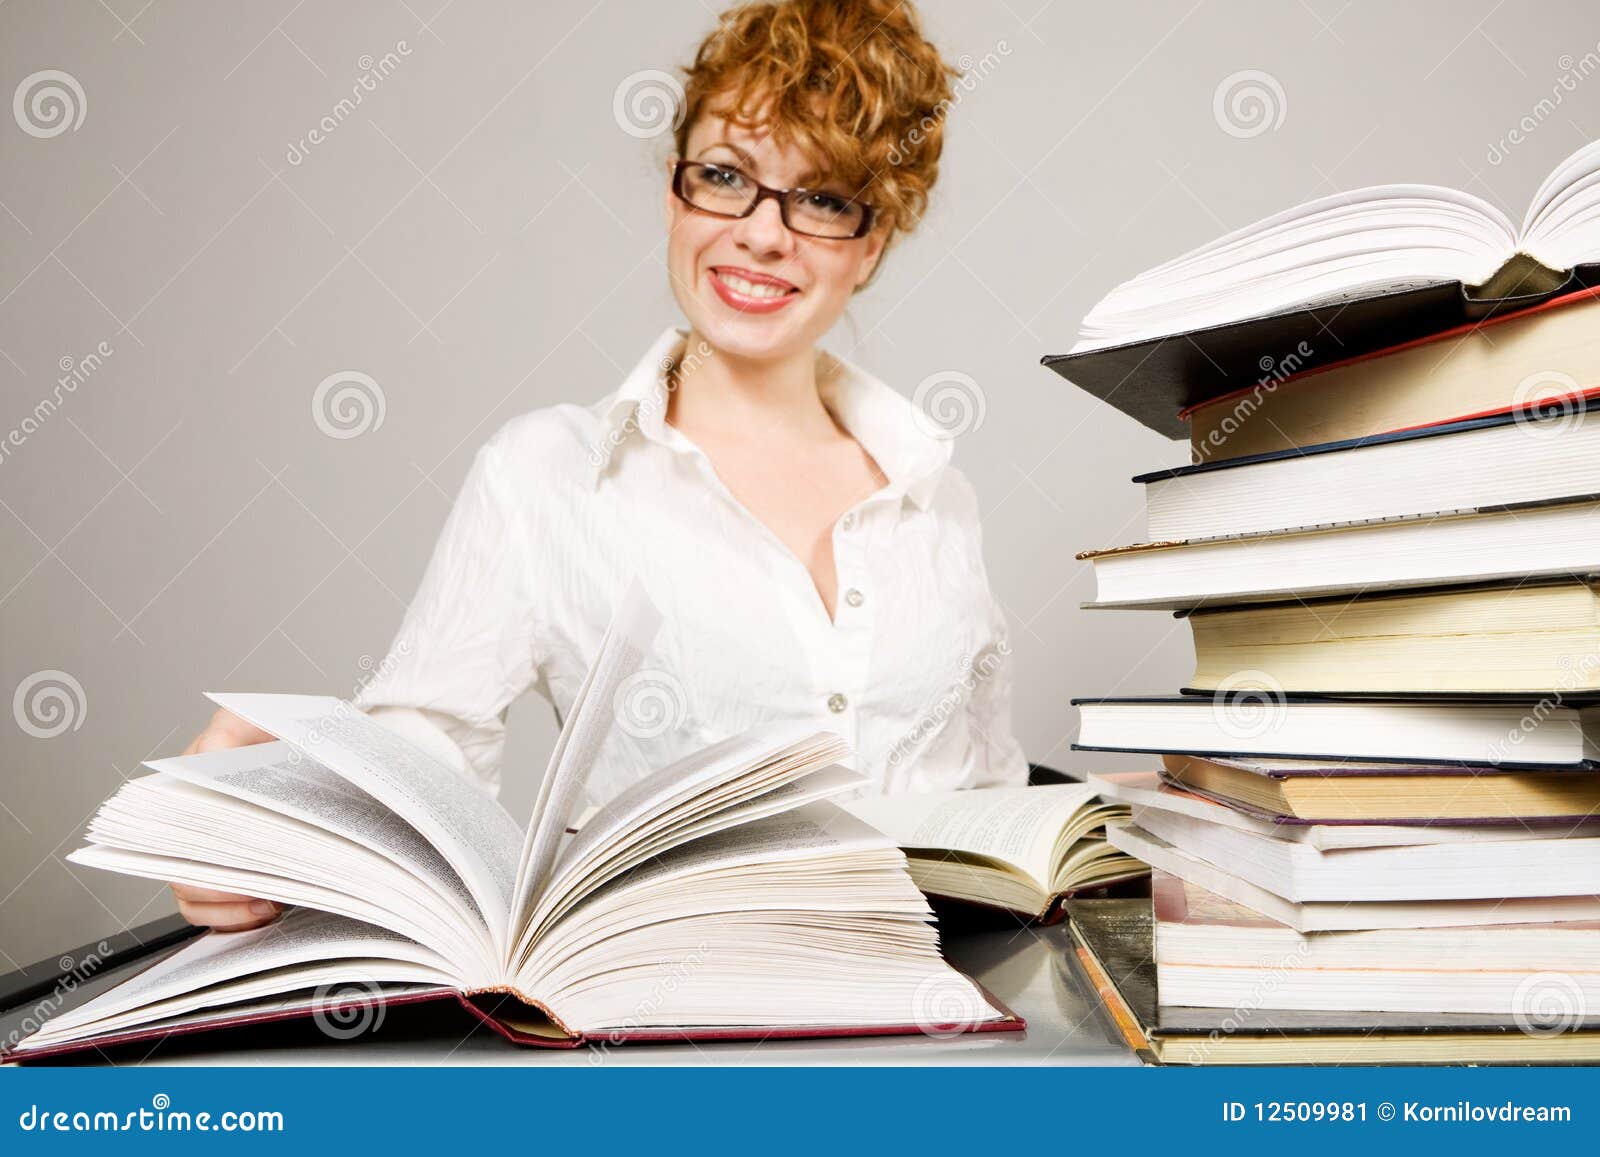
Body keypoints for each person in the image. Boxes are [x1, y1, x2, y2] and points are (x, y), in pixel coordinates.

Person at [172, 0, 1027, 932]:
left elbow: (996, 805)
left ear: (872, 242)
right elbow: (426, 751)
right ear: (675, 194)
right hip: (673, 1006)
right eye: (725, 176)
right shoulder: (547, 474)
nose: (762, 233)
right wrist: (300, 801)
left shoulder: (937, 497)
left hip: (948, 1006)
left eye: (822, 198)